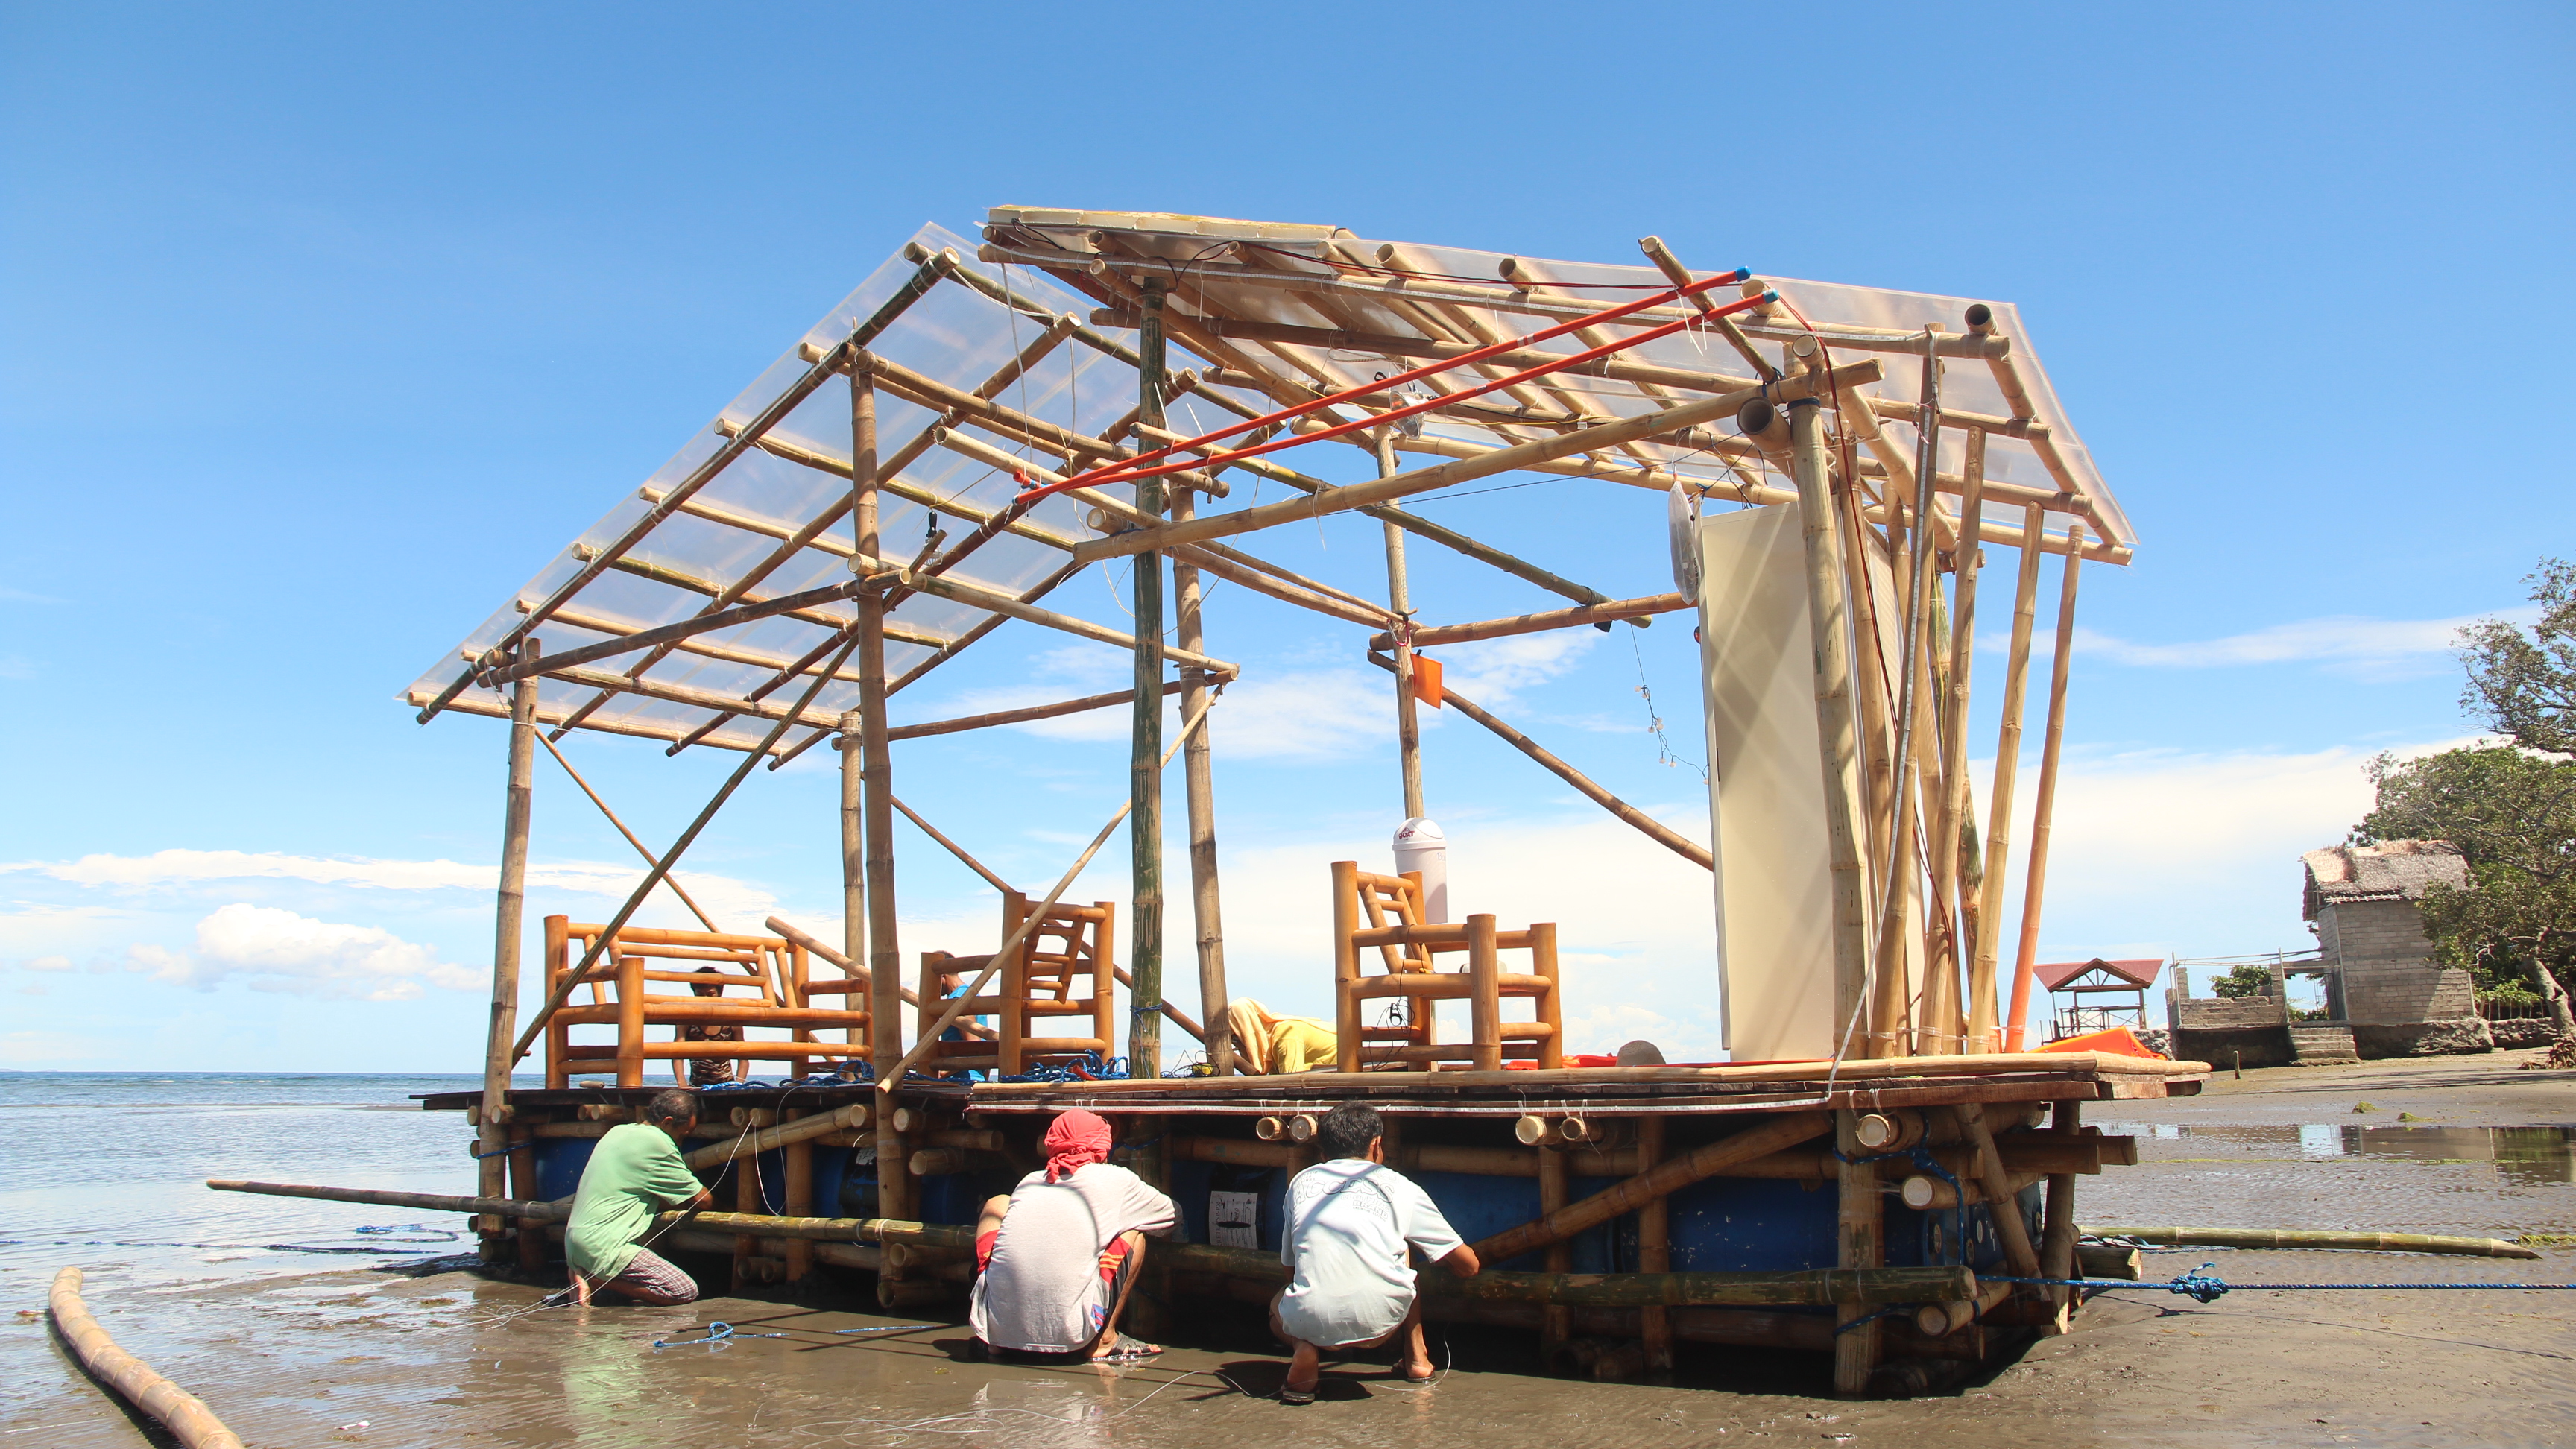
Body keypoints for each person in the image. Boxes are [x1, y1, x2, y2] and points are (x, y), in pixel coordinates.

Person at [1270, 1101, 1480, 1404]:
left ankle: (1303, 1347)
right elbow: (1468, 1266)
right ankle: (1417, 1358)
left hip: (1311, 1319)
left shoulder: (1300, 1183)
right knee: (1405, 1251)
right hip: (1382, 1324)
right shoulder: (1400, 1186)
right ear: (1377, 1145)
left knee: (1278, 1306)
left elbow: (1289, 1269)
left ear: (1323, 1154)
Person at [968, 1108, 1176, 1362]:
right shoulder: (1116, 1179)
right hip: (1072, 1336)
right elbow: (1171, 1217)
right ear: (1103, 1143)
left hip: (996, 1333)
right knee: (1134, 1232)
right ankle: (1105, 1339)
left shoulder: (1029, 1182)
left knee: (997, 1203)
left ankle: (998, 1333)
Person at [565, 1087, 713, 1305]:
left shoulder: (618, 1131)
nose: (680, 1143)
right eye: (683, 1135)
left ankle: (588, 1273)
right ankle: (595, 1280)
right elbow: (704, 1200)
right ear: (667, 1123)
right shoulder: (658, 1144)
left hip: (573, 1242)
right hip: (604, 1246)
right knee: (684, 1290)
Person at [1226, 998, 1339, 1075]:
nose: (1238, 1043)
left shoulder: (1286, 1035)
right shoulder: (1271, 1040)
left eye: (1236, 1037)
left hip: (1342, 1071)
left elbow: (1291, 1079)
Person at [680, 966, 739, 1085]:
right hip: (697, 1084)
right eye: (700, 995)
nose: (705, 999)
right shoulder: (687, 1020)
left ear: (719, 994)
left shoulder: (731, 1020)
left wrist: (739, 1083)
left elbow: (744, 1055)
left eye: (710, 994)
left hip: (727, 1085)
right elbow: (676, 1053)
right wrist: (681, 1083)